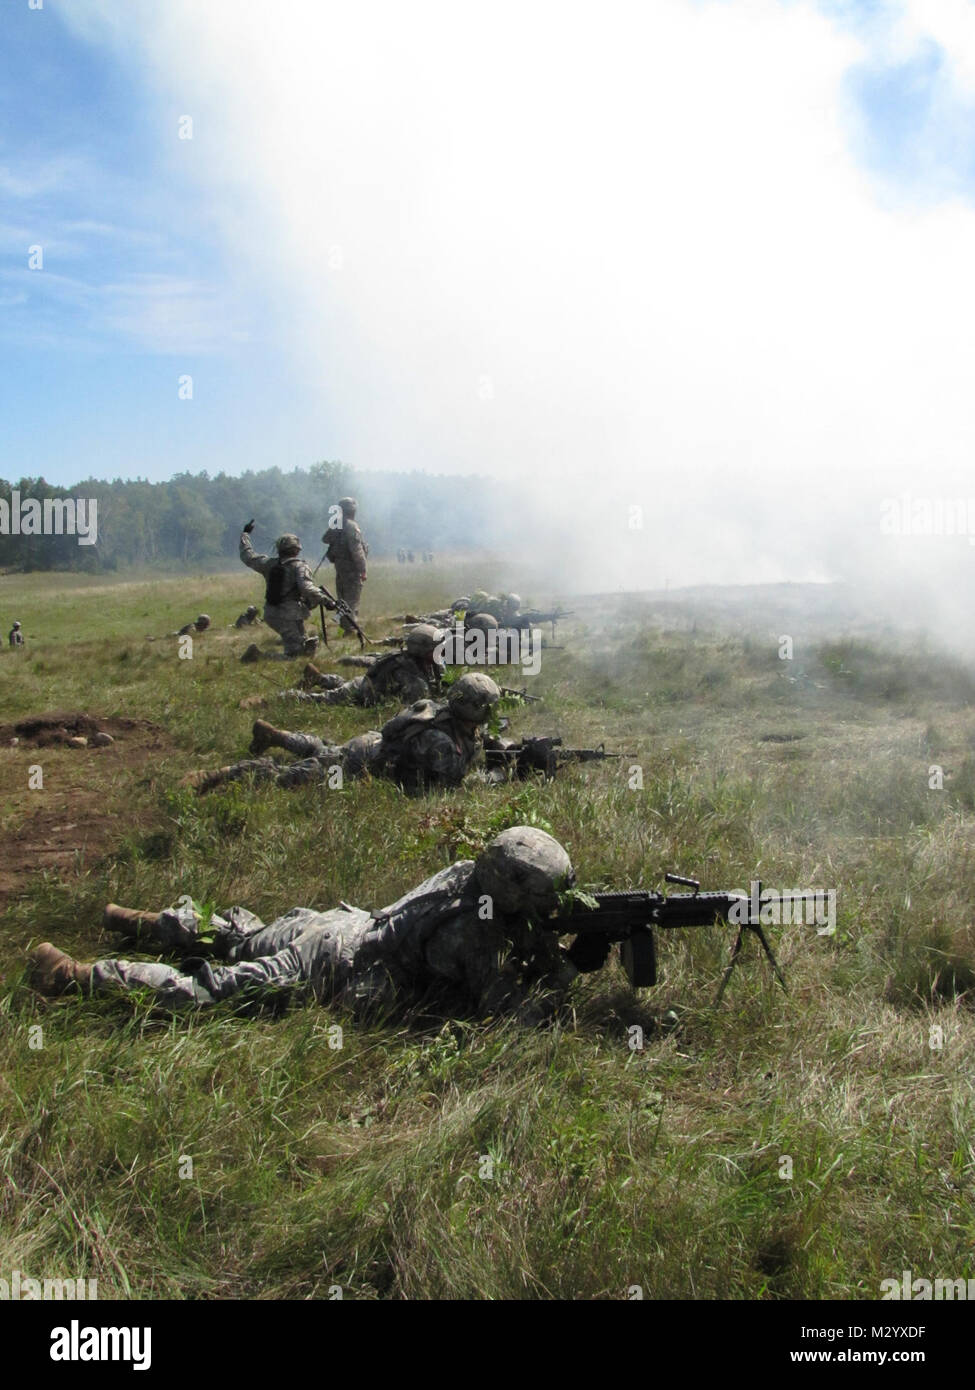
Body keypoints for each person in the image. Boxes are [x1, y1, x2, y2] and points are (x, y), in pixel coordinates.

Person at [27, 828, 580, 1025]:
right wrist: (571, 969)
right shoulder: (474, 935)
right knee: (211, 991)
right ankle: (74, 976)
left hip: (332, 923)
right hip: (325, 964)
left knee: (234, 936)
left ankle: (142, 922)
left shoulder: (467, 874)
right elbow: (510, 1017)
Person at [184, 672, 501, 796]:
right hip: (358, 764)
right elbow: (437, 792)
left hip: (368, 744)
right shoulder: (442, 745)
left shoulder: (437, 709)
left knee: (324, 749)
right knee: (288, 778)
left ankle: (278, 736)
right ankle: (218, 774)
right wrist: (495, 776)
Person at [239, 523, 337, 659]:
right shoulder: (300, 566)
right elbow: (307, 588)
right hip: (288, 614)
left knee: (304, 643)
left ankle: (298, 648)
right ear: (297, 549)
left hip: (273, 613)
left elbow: (247, 556)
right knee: (295, 654)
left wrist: (245, 534)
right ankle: (256, 656)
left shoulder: (269, 564)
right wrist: (326, 601)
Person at [292, 624, 444, 707]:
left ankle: (320, 678)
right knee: (321, 700)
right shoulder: (410, 676)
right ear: (421, 651)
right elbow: (417, 706)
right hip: (363, 692)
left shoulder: (426, 663)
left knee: (343, 685)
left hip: (369, 684)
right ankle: (289, 696)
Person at [322, 498, 368, 636]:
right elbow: (357, 551)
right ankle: (350, 629)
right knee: (352, 600)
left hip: (340, 567)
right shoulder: (351, 526)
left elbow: (325, 538)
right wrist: (363, 569)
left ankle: (343, 623)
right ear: (353, 510)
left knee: (342, 598)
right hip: (351, 568)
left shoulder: (337, 525)